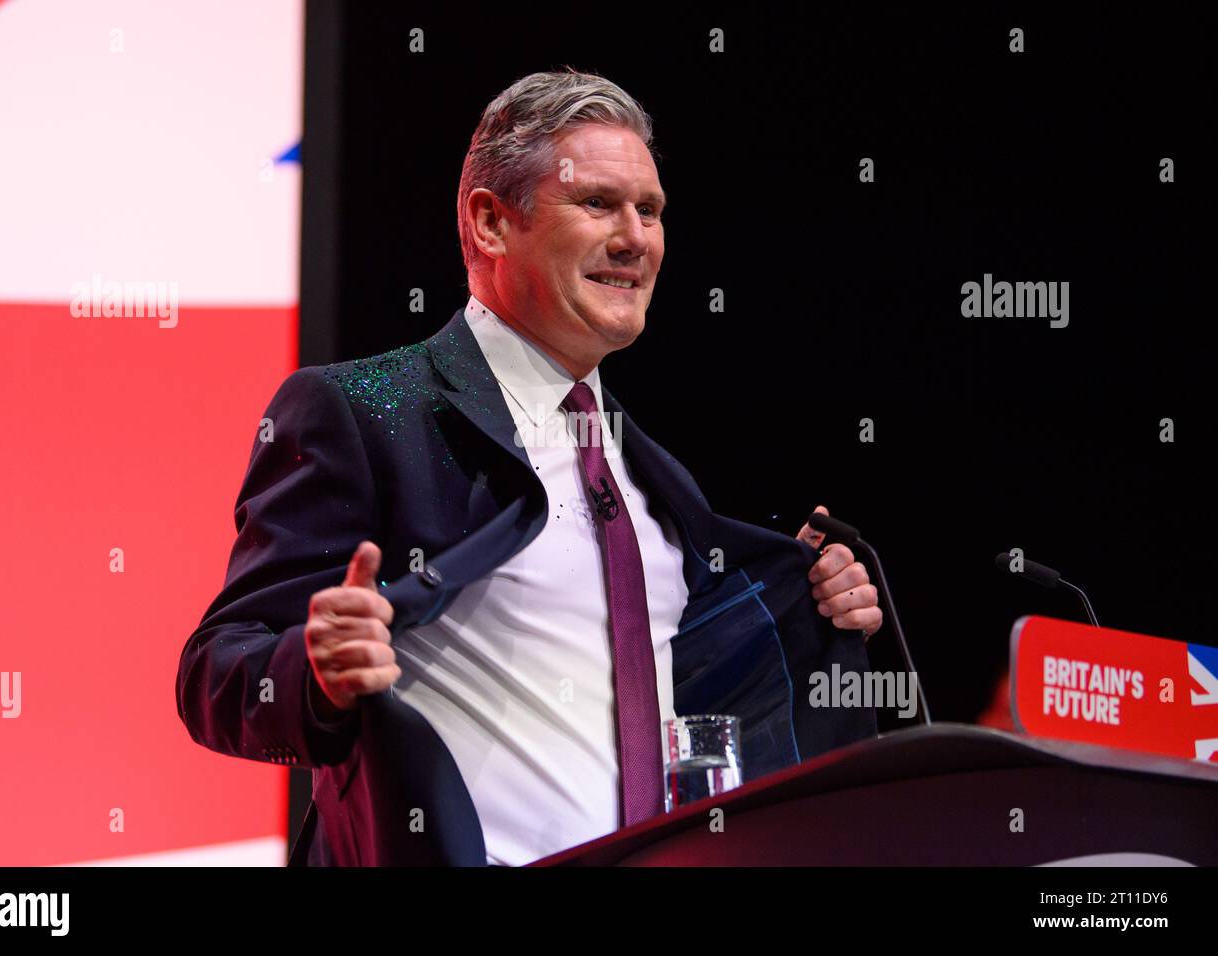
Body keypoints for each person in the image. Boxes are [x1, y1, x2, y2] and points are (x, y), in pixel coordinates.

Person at [176, 69, 883, 866]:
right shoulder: (364, 413)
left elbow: (719, 675)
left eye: (648, 210)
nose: (635, 238)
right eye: (597, 204)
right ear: (490, 222)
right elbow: (218, 675)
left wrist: (802, 599)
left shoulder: (654, 477)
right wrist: (317, 671)